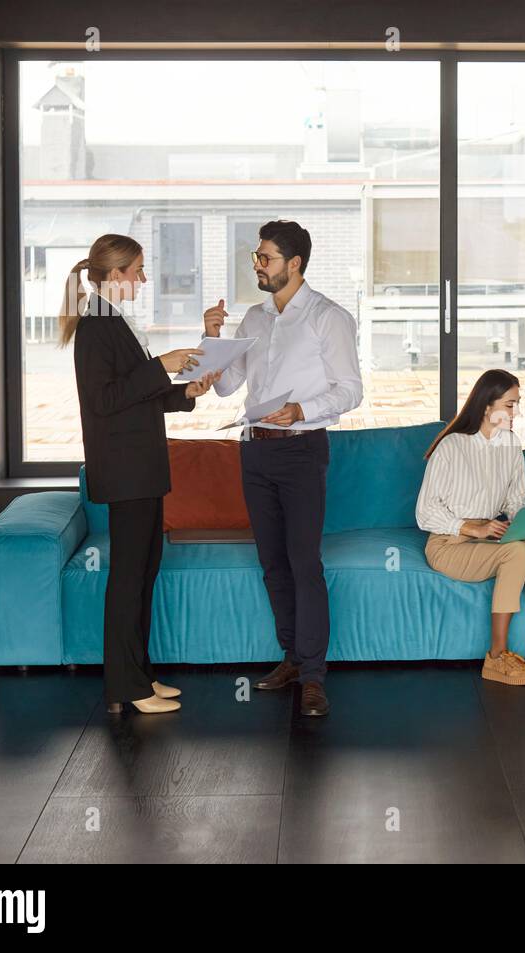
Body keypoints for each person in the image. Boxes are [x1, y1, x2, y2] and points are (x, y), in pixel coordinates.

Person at [206, 220, 363, 717]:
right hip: (254, 450)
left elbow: (350, 389)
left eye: (266, 258)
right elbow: (226, 386)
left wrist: (301, 410)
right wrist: (211, 338)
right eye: (256, 256)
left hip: (300, 450)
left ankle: (314, 677)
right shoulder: (253, 319)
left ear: (295, 264)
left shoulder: (327, 317)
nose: (257, 264)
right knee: (272, 564)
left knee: (303, 563)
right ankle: (291, 658)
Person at [63, 233, 218, 715]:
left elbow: (138, 397)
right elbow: (103, 401)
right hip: (127, 471)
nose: (144, 279)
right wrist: (161, 366)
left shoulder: (116, 323)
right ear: (115, 275)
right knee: (129, 577)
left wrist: (186, 390)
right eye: (138, 271)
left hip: (142, 468)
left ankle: (139, 676)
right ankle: (127, 687)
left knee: (145, 570)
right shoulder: (95, 326)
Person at [416, 370, 525, 685]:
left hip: (489, 538)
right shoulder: (451, 447)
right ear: (487, 406)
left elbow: (514, 500)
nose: (515, 412)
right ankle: (497, 656)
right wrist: (473, 528)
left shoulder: (510, 444)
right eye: (510, 405)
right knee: (514, 554)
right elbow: (425, 512)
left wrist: (522, 521)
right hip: (448, 544)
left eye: (516, 405)